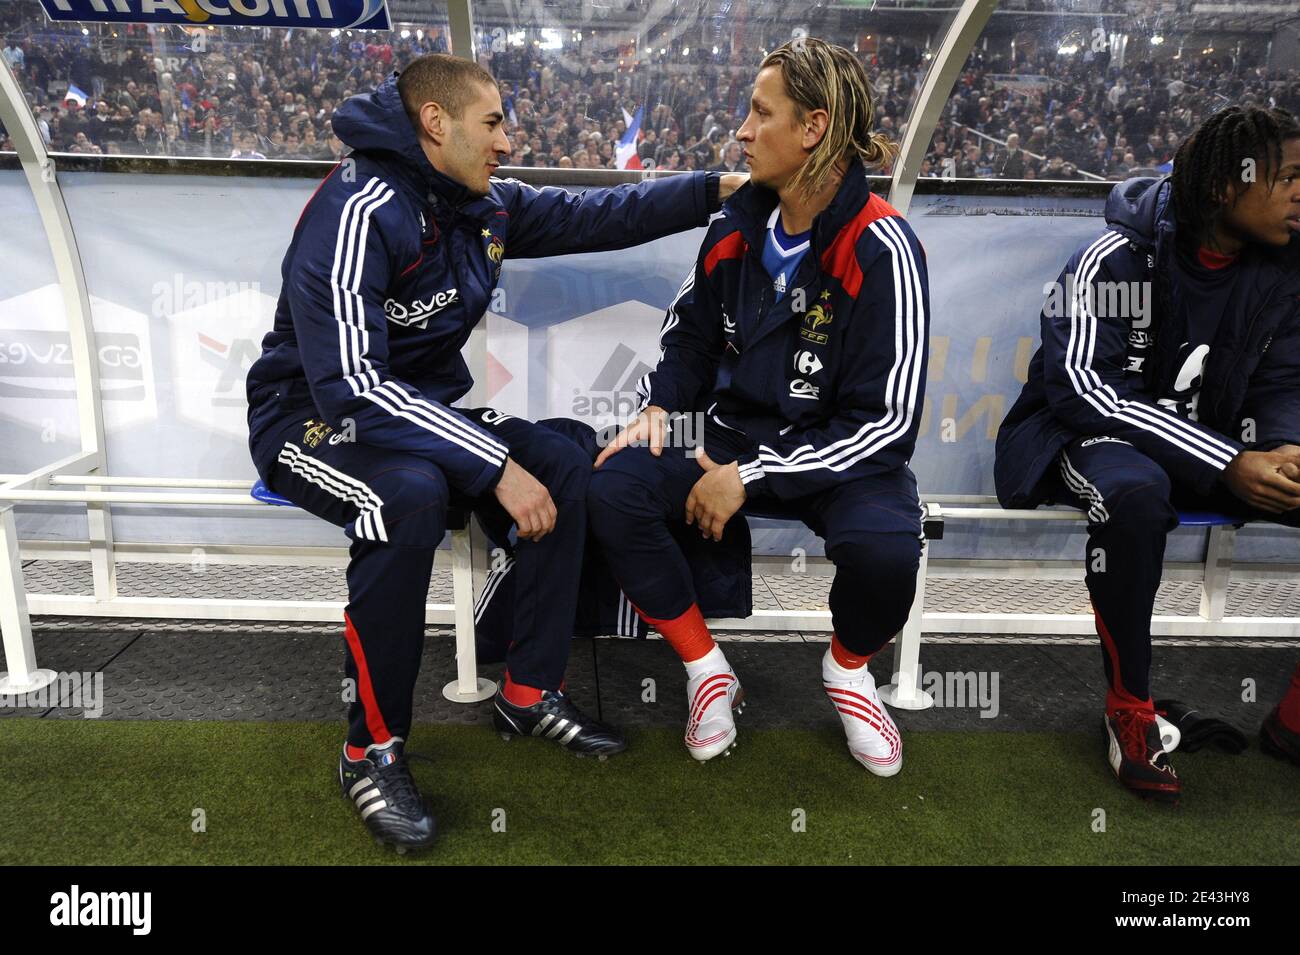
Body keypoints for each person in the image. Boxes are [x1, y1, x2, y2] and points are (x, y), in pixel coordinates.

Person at [245, 54, 744, 852]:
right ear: (435, 124)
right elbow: (351, 388)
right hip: (309, 421)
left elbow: (603, 215)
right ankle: (370, 749)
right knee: (402, 496)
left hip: (418, 416)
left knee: (566, 458)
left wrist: (725, 189)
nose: (509, 141)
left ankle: (527, 688)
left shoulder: (482, 206)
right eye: (494, 123)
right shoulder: (356, 207)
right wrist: (493, 467)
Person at [587, 38, 929, 774]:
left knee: (887, 548)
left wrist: (752, 473)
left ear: (813, 127)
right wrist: (659, 407)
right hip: (728, 436)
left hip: (841, 454)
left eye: (759, 111)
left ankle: (847, 672)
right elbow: (689, 337)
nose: (742, 130)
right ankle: (706, 668)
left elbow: (889, 423)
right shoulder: (735, 226)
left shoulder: (883, 246)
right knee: (613, 480)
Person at [996, 106, 1300, 803]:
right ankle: (1131, 710)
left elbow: (1283, 379)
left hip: (1217, 448)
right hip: (1089, 438)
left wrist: (1287, 445)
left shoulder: (1283, 270)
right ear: (1228, 185)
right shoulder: (1112, 257)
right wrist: (1226, 461)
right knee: (1133, 497)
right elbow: (1079, 390)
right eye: (1288, 178)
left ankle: (1292, 721)